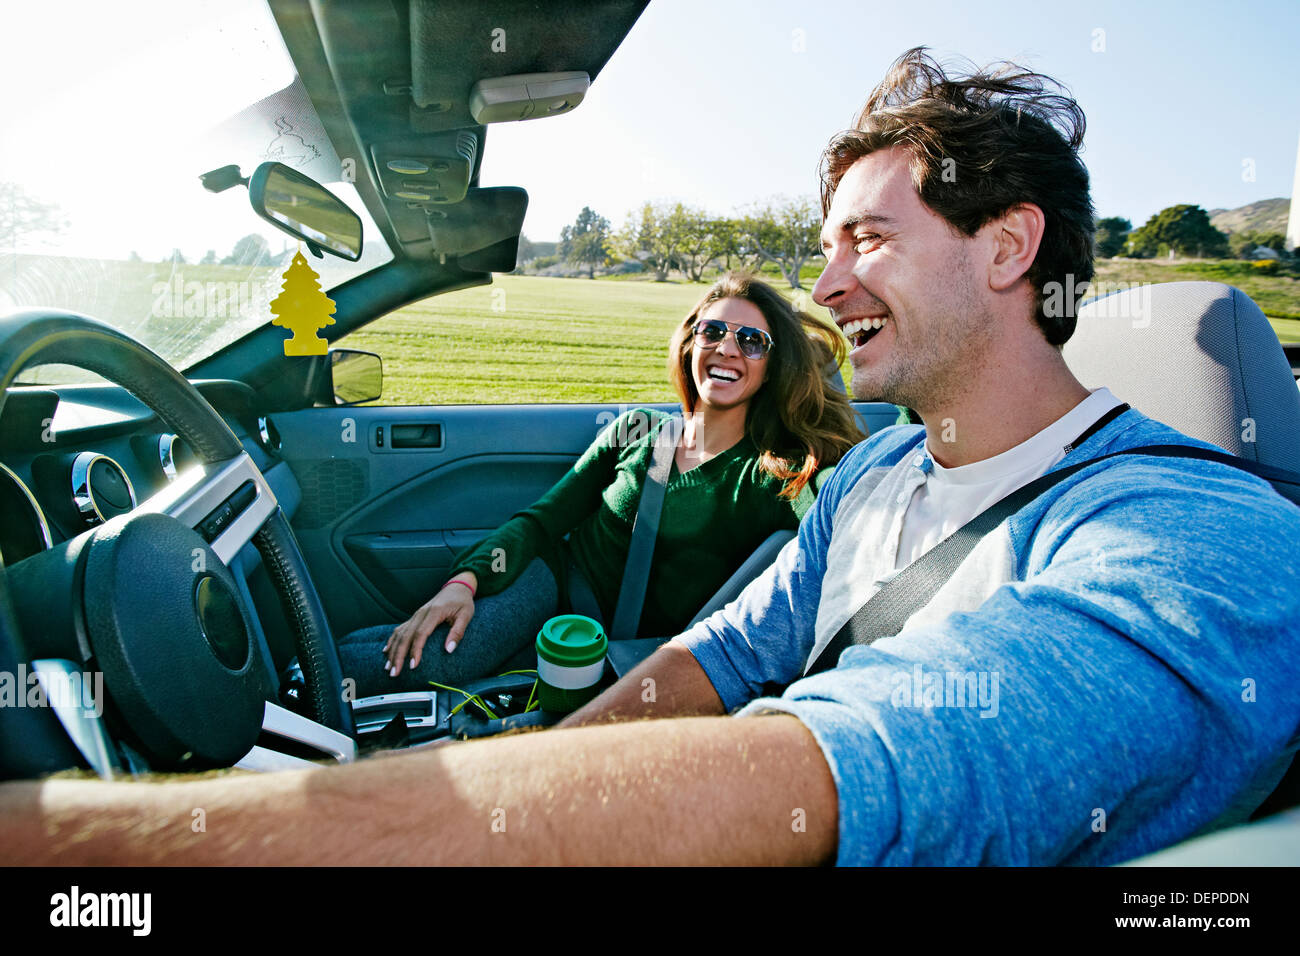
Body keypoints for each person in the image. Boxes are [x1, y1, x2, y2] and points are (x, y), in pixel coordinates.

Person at [3, 48, 1298, 867]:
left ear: (1008, 249)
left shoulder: (1193, 537)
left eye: (866, 241)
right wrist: (552, 747)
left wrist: (132, 844)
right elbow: (719, 658)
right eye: (824, 243)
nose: (824, 282)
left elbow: (888, 762)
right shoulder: (871, 483)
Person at [334, 271, 863, 696]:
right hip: (549, 589)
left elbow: (839, 534)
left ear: (771, 368)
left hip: (626, 653)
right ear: (689, 345)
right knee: (426, 661)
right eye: (712, 332)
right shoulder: (634, 428)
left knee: (473, 694)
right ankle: (292, 687)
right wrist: (463, 583)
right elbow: (543, 521)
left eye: (751, 341)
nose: (727, 348)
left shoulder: (777, 471)